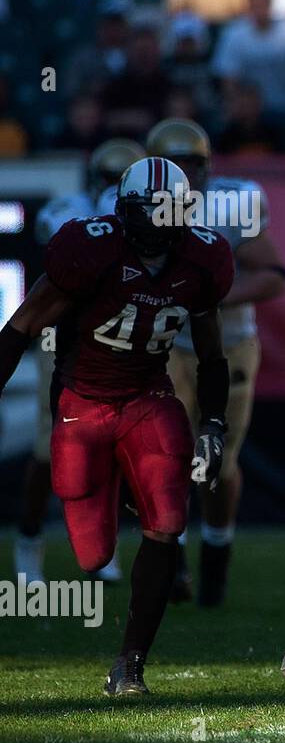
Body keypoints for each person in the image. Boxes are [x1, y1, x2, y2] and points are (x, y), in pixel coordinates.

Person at [0, 157, 233, 695]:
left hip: (148, 395)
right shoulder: (91, 250)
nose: (158, 220)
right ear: (126, 213)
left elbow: (212, 354)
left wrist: (214, 423)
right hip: (83, 400)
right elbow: (22, 326)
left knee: (168, 519)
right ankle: (117, 489)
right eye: (147, 209)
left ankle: (129, 664)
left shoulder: (201, 261)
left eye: (167, 209)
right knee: (93, 552)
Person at [130, 119, 285, 607]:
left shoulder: (231, 205)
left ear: (208, 166)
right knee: (165, 455)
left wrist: (211, 296)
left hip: (226, 345)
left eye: (193, 163)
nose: (185, 174)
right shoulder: (135, 205)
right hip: (165, 346)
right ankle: (172, 560)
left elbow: (274, 275)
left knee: (216, 460)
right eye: (174, 164)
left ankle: (216, 555)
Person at [13, 138, 144, 584]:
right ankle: (29, 540)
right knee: (48, 447)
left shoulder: (147, 221)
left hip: (118, 341)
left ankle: (99, 548)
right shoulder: (70, 214)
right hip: (64, 337)